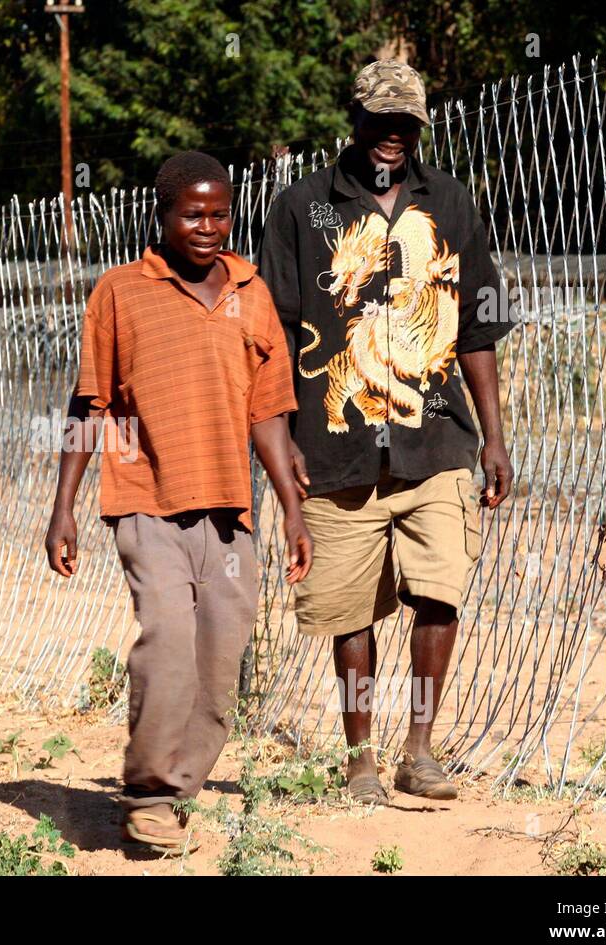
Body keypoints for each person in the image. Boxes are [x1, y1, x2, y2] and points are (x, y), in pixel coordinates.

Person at [258, 60, 517, 805]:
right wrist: (283, 443)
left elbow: (476, 327)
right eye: (382, 123)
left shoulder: (452, 203)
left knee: (440, 591)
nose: (394, 138)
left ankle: (420, 749)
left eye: (407, 126)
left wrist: (493, 437)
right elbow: (274, 333)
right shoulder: (303, 206)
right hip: (336, 442)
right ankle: (361, 759)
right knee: (351, 607)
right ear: (356, 118)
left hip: (435, 440)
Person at [45, 150, 312, 852]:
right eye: (191, 213)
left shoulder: (250, 292)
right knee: (167, 641)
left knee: (221, 659)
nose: (207, 226)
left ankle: (176, 789)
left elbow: (269, 413)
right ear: (161, 215)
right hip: (145, 498)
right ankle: (149, 795)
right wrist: (63, 506)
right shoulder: (121, 292)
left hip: (228, 510)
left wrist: (291, 507)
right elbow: (89, 403)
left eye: (219, 212)